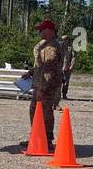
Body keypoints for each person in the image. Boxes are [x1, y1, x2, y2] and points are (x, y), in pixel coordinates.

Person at [28, 18, 64, 149]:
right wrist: (31, 72)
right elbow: (41, 66)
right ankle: (36, 137)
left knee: (45, 112)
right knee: (35, 110)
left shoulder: (51, 47)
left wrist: (41, 89)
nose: (40, 33)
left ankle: (47, 140)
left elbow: (48, 70)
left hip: (45, 86)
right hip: (41, 84)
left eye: (42, 30)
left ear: (49, 31)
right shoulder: (45, 44)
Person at [60, 35, 76, 101]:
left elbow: (73, 57)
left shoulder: (71, 48)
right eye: (63, 39)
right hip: (59, 67)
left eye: (65, 39)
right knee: (58, 81)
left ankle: (64, 94)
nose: (63, 41)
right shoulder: (59, 47)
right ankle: (56, 95)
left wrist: (72, 65)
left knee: (66, 82)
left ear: (68, 40)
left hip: (67, 67)